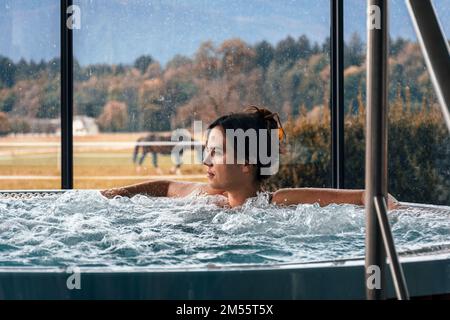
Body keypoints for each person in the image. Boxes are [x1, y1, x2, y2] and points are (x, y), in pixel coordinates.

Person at [101, 106, 399, 210]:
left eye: (215, 152)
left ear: (247, 163)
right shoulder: (206, 195)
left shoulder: (278, 202)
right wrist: (116, 194)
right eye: (207, 151)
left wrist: (379, 199)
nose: (206, 161)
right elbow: (165, 187)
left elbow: (360, 197)